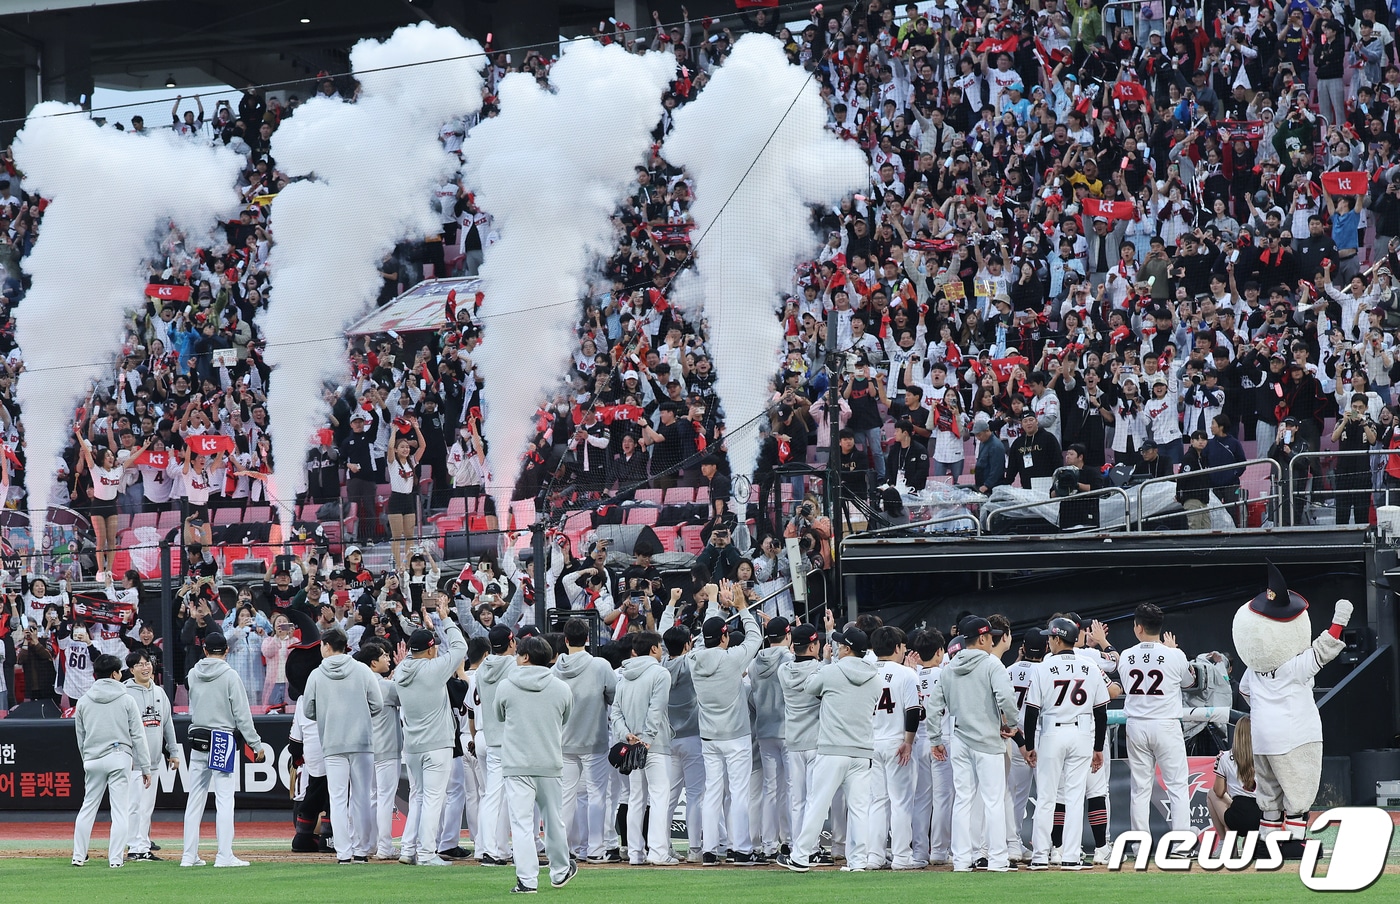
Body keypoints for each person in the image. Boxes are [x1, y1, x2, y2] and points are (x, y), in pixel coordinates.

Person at [777, 624, 880, 873]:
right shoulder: (874, 678)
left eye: (840, 644)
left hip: (833, 749)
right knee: (858, 810)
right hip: (862, 750)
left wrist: (825, 663)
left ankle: (801, 856)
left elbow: (810, 686)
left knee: (817, 804)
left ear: (846, 648)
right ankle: (857, 862)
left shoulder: (831, 671)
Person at [925, 616, 1020, 872]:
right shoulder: (992, 664)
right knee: (993, 800)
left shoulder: (949, 667)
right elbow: (1006, 698)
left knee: (963, 800)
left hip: (959, 739)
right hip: (987, 740)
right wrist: (1012, 722)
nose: (993, 640)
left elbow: (932, 707)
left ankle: (962, 860)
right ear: (981, 638)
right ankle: (998, 859)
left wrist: (935, 738)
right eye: (990, 636)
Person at [1022, 618, 1110, 871]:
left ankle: (1040, 855)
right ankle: (1071, 856)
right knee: (1074, 798)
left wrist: (1029, 745)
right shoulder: (1090, 666)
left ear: (1058, 639)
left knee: (1047, 797)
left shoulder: (1043, 668)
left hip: (1051, 732)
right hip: (1081, 734)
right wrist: (1097, 747)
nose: (1048, 641)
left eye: (1050, 637)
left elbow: (1031, 712)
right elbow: (1101, 712)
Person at [496, 635, 578, 893]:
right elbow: (564, 718)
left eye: (518, 653)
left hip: (517, 764)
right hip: (549, 762)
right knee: (554, 821)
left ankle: (527, 881)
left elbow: (500, 715)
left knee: (521, 824)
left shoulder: (506, 686)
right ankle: (560, 871)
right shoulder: (561, 688)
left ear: (525, 657)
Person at [393, 597, 467, 866]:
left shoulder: (401, 669)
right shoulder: (434, 669)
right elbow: (460, 647)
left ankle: (407, 850)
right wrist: (445, 619)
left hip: (412, 745)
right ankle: (425, 854)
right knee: (434, 799)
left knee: (418, 797)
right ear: (430, 650)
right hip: (436, 744)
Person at [691, 584, 761, 865]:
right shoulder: (732, 659)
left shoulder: (693, 659)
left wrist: (711, 603)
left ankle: (710, 850)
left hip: (709, 736)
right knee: (738, 792)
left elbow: (702, 639)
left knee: (713, 791)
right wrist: (742, 606)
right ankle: (741, 849)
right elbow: (755, 637)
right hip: (736, 736)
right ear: (724, 636)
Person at [181, 631, 265, 868]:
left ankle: (189, 855)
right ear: (226, 651)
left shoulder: (193, 674)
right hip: (222, 738)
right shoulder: (230, 675)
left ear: (204, 650)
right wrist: (255, 744)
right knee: (225, 799)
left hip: (198, 736)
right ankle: (224, 855)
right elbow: (242, 714)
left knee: (194, 798)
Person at [302, 626, 384, 864]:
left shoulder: (316, 675)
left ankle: (344, 854)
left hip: (333, 743)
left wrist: (329, 717)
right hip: (361, 742)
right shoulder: (362, 670)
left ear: (327, 646)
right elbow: (377, 704)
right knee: (361, 798)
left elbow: (308, 710)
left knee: (337, 799)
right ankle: (361, 851)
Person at [1121, 603, 1197, 843]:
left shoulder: (1126, 655)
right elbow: (1189, 683)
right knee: (1176, 786)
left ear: (1138, 627)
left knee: (1140, 789)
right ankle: (1180, 846)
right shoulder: (1175, 655)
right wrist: (1173, 651)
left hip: (1136, 725)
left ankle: (1139, 846)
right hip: (1165, 724)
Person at [73, 653, 149, 869]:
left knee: (88, 807)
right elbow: (138, 736)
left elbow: (81, 737)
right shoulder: (127, 699)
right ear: (116, 674)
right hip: (119, 758)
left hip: (93, 759)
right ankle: (115, 859)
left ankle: (78, 856)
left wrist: (86, 759)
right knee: (120, 810)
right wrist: (145, 766)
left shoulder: (84, 701)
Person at [554, 617, 619, 863]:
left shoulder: (554, 670)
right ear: (588, 639)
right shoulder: (600, 666)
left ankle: (563, 848)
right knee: (597, 795)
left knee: (566, 797)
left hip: (564, 741)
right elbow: (614, 696)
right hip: (595, 740)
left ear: (566, 640)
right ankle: (595, 849)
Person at [609, 631, 677, 866]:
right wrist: (646, 739)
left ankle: (636, 853)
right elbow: (656, 710)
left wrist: (626, 735)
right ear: (655, 649)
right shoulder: (660, 673)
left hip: (632, 744)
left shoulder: (624, 675)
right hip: (654, 745)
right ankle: (658, 851)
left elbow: (615, 712)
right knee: (659, 797)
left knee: (637, 798)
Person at [867, 625, 920, 871]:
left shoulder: (864, 671)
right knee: (900, 802)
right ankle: (901, 858)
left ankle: (874, 857)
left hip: (870, 742)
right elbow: (914, 713)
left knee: (877, 802)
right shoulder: (906, 674)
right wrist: (908, 743)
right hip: (897, 742)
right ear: (897, 647)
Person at [124, 650, 178, 862]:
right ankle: (134, 847)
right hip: (134, 762)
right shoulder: (125, 693)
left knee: (146, 807)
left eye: (147, 663)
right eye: (139, 665)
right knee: (134, 806)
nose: (145, 667)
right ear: (131, 670)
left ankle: (143, 846)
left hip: (154, 761)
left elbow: (167, 724)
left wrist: (173, 751)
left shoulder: (159, 692)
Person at [1208, 715, 1261, 853]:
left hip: (1237, 817)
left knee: (1211, 793)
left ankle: (1225, 841)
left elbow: (1218, 792)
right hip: (1262, 818)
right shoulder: (1265, 756)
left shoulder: (1224, 757)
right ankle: (1247, 842)